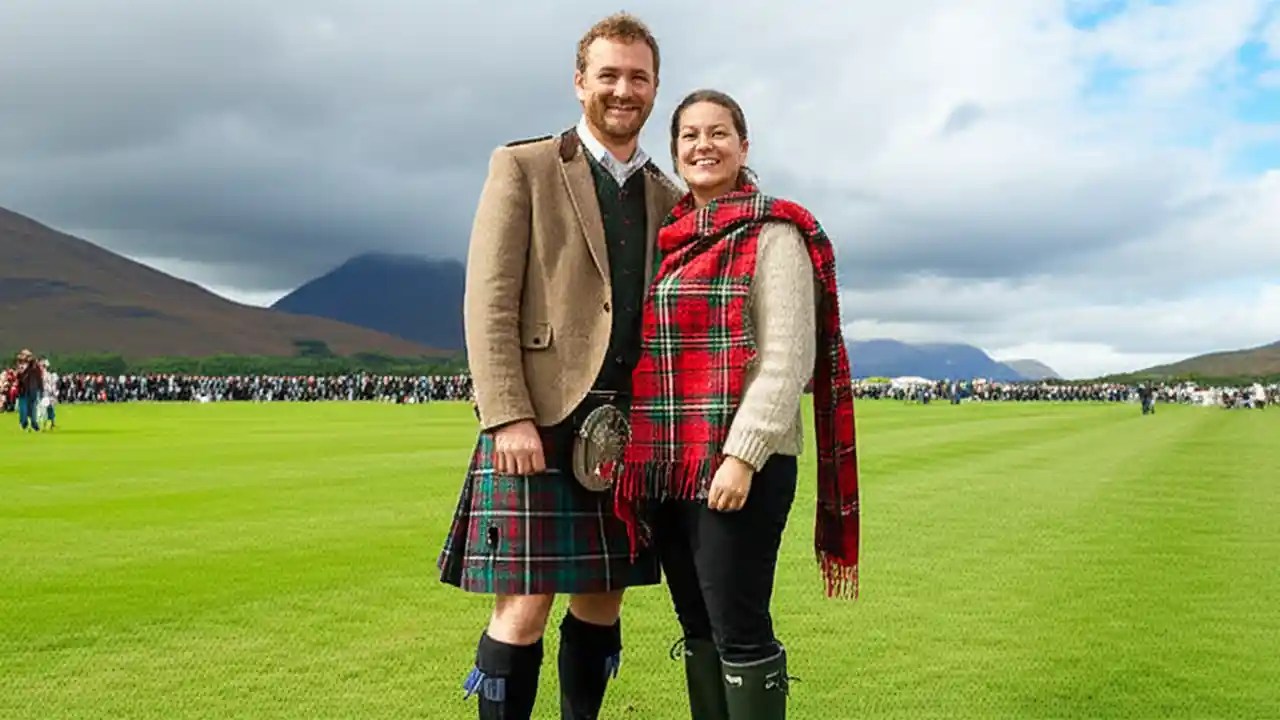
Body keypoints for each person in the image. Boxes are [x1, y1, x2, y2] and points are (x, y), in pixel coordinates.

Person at [436, 13, 684, 720]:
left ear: (655, 87)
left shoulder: (668, 198)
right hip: (539, 421)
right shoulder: (526, 166)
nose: (623, 89)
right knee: (522, 606)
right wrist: (506, 413)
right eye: (608, 75)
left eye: (638, 77)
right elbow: (488, 299)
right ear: (580, 83)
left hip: (628, 429)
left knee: (603, 600)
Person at [614, 89, 862, 719]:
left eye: (719, 133)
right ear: (675, 151)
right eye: (690, 136)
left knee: (737, 622)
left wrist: (741, 456)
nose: (704, 146)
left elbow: (786, 359)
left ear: (744, 146)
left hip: (742, 464)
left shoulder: (775, 232)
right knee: (697, 624)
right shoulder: (671, 240)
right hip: (673, 463)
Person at [13, 349, 44, 431]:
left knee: (32, 408)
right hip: (23, 390)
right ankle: (25, 423)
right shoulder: (20, 366)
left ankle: (33, 423)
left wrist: (41, 389)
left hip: (32, 389)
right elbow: (18, 376)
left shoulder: (34, 366)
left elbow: (39, 378)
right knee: (24, 408)